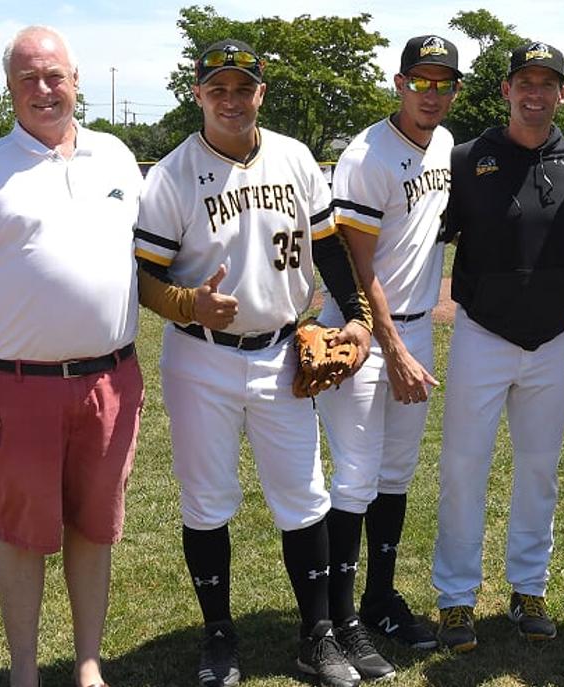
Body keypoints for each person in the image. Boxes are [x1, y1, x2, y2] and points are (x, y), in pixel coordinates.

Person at [132, 39, 373, 687]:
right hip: (200, 359)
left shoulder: (294, 157)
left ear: (261, 93)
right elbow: (144, 277)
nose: (231, 100)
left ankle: (316, 636)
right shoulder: (172, 174)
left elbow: (327, 246)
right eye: (218, 88)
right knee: (207, 500)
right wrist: (187, 303)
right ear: (198, 94)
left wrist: (357, 316)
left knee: (304, 496)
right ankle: (218, 635)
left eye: (243, 88)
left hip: (282, 353)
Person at [0, 25, 144, 687]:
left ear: (75, 80)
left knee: (95, 527)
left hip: (112, 379)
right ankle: (23, 671)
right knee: (23, 532)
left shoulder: (116, 157)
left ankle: (87, 663)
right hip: (18, 387)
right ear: (10, 88)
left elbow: (149, 258)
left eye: (54, 75)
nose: (44, 88)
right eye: (28, 78)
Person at [431, 41, 564, 653]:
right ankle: (456, 598)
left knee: (539, 470)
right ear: (506, 90)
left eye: (547, 83)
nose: (535, 93)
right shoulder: (467, 157)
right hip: (482, 332)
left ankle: (529, 588)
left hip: (551, 338)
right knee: (463, 468)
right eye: (525, 82)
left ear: (562, 94)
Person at [315, 34, 461, 669]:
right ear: (399, 84)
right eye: (420, 81)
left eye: (443, 83)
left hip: (414, 329)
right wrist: (392, 349)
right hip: (362, 333)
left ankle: (378, 599)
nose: (431, 93)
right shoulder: (366, 155)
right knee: (355, 476)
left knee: (395, 475)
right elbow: (356, 264)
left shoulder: (446, 144)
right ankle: (340, 619)